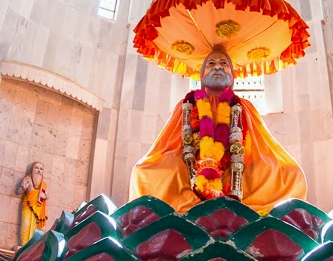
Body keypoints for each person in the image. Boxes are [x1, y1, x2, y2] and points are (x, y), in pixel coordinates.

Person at [129, 50, 308, 213]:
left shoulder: (243, 105)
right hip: (191, 166)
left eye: (224, 64)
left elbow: (260, 143)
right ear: (202, 74)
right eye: (211, 63)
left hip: (236, 165)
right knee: (142, 172)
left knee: (293, 175)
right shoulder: (186, 104)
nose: (217, 67)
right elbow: (169, 142)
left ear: (232, 75)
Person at [17, 161, 48, 245]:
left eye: (41, 169)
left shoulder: (43, 184)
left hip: (38, 207)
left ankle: (30, 246)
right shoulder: (27, 179)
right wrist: (23, 188)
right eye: (36, 168)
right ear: (32, 170)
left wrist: (44, 196)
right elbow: (18, 192)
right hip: (27, 205)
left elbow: (45, 196)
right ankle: (24, 245)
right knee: (26, 224)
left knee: (33, 227)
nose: (39, 170)